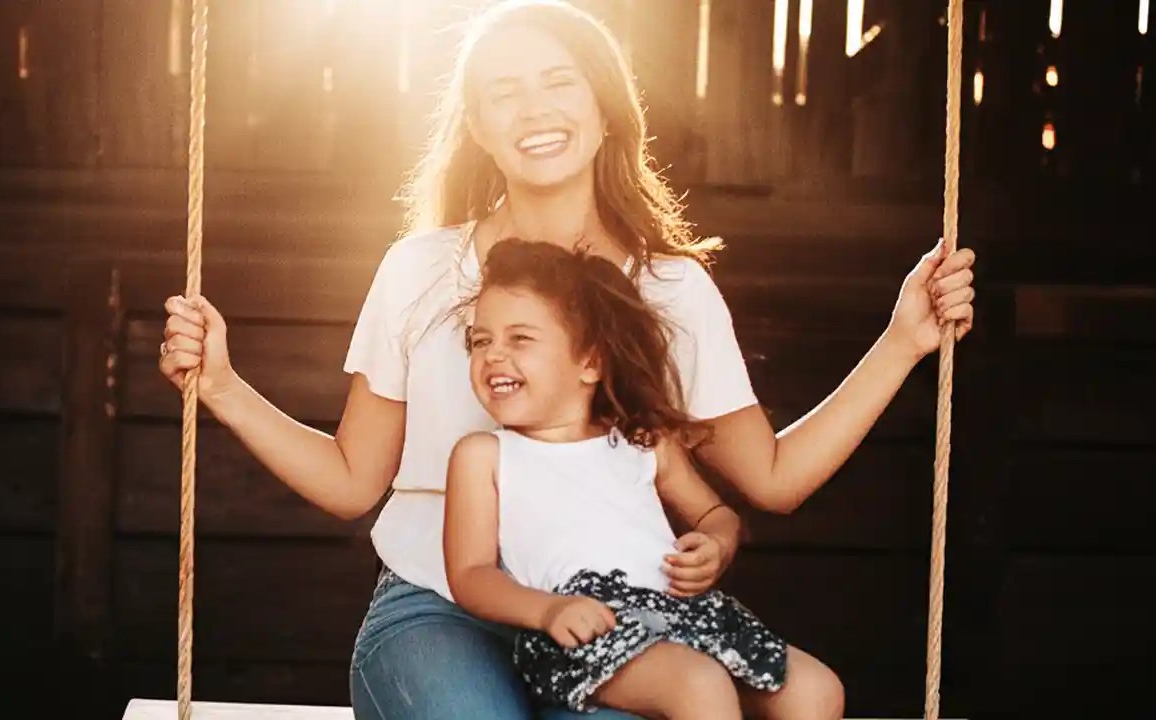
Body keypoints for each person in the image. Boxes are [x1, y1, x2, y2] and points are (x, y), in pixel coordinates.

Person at [156, 1, 977, 717]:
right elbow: (349, 481)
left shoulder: (670, 289)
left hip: (611, 622)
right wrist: (224, 388)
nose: (533, 109)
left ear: (605, 107)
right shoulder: (421, 269)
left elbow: (771, 479)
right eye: (502, 93)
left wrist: (904, 341)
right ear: (476, 125)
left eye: (559, 81)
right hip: (436, 611)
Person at [444, 237, 791, 719]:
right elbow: (470, 576)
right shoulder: (486, 456)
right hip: (582, 632)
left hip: (681, 619)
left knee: (816, 691)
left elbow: (716, 515)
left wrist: (717, 543)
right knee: (700, 687)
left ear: (590, 361)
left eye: (519, 338)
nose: (493, 355)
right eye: (480, 341)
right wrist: (547, 611)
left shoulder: (641, 442)